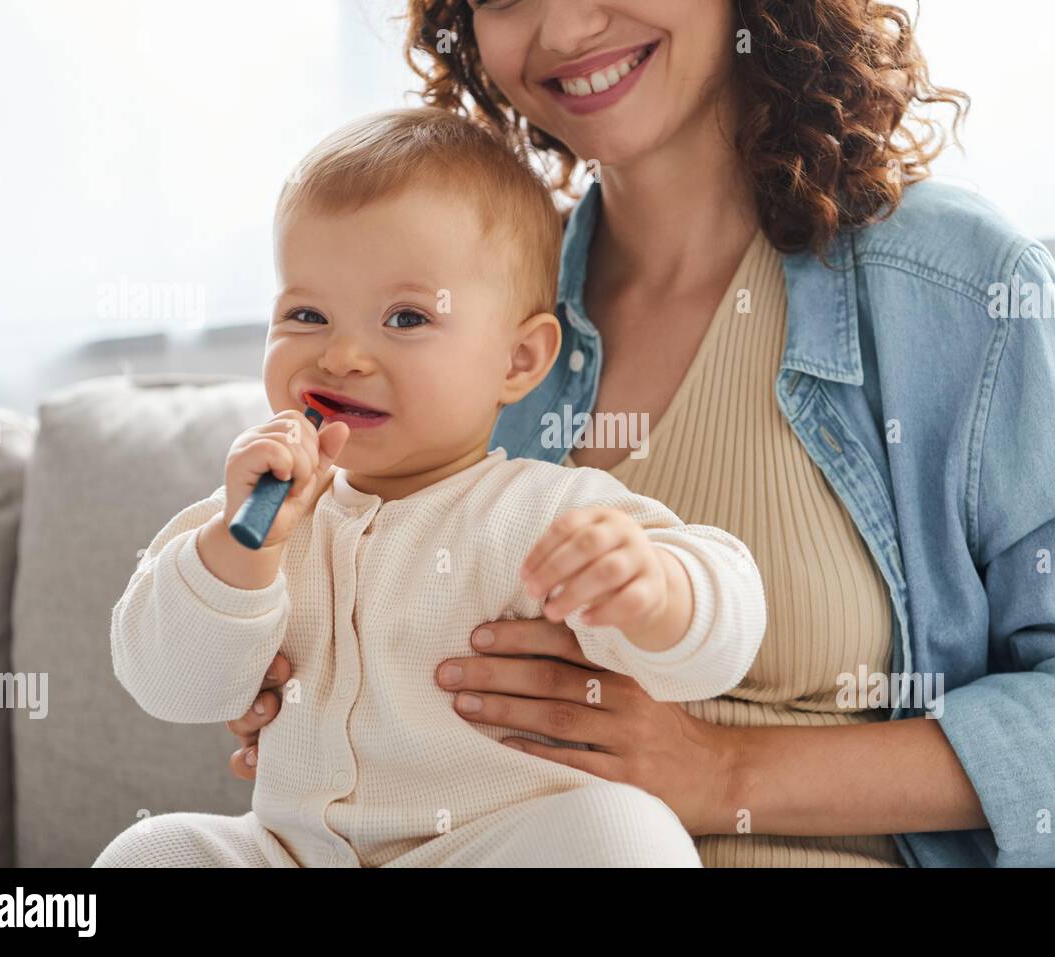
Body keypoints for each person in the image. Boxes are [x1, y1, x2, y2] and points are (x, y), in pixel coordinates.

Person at [227, 0, 1055, 867]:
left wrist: (725, 774)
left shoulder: (957, 288)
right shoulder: (467, 334)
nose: (567, 28)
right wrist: (334, 688)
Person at [94, 107, 766, 867]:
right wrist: (235, 563)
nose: (342, 354)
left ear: (518, 360)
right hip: (290, 852)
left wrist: (656, 593)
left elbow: (723, 635)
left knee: (620, 833)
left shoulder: (544, 511)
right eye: (307, 313)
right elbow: (169, 686)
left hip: (488, 849)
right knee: (151, 850)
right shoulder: (252, 519)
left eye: (406, 317)